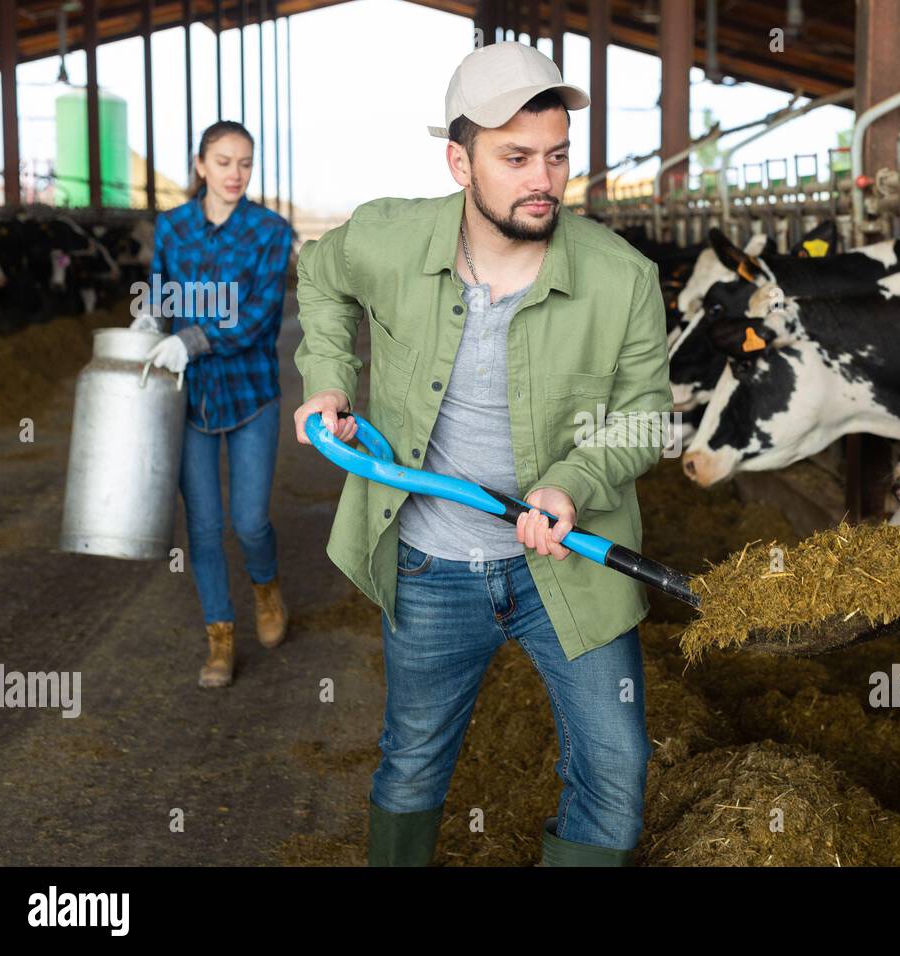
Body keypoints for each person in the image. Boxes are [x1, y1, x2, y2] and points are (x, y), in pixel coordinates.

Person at [292, 41, 673, 867]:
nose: (544, 179)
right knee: (413, 761)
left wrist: (575, 480)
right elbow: (318, 278)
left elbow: (648, 413)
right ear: (460, 163)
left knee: (617, 766)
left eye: (558, 155)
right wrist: (330, 378)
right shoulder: (387, 237)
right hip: (432, 565)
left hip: (570, 566)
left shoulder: (624, 279)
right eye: (516, 158)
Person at [135, 120, 297, 689]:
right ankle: (220, 640)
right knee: (203, 527)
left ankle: (266, 586)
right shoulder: (173, 227)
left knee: (249, 521)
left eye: (245, 163)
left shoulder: (271, 231)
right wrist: (148, 326)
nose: (235, 174)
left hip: (251, 392)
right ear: (200, 165)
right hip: (188, 398)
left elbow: (259, 318)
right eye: (224, 161)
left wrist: (192, 339)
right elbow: (159, 293)